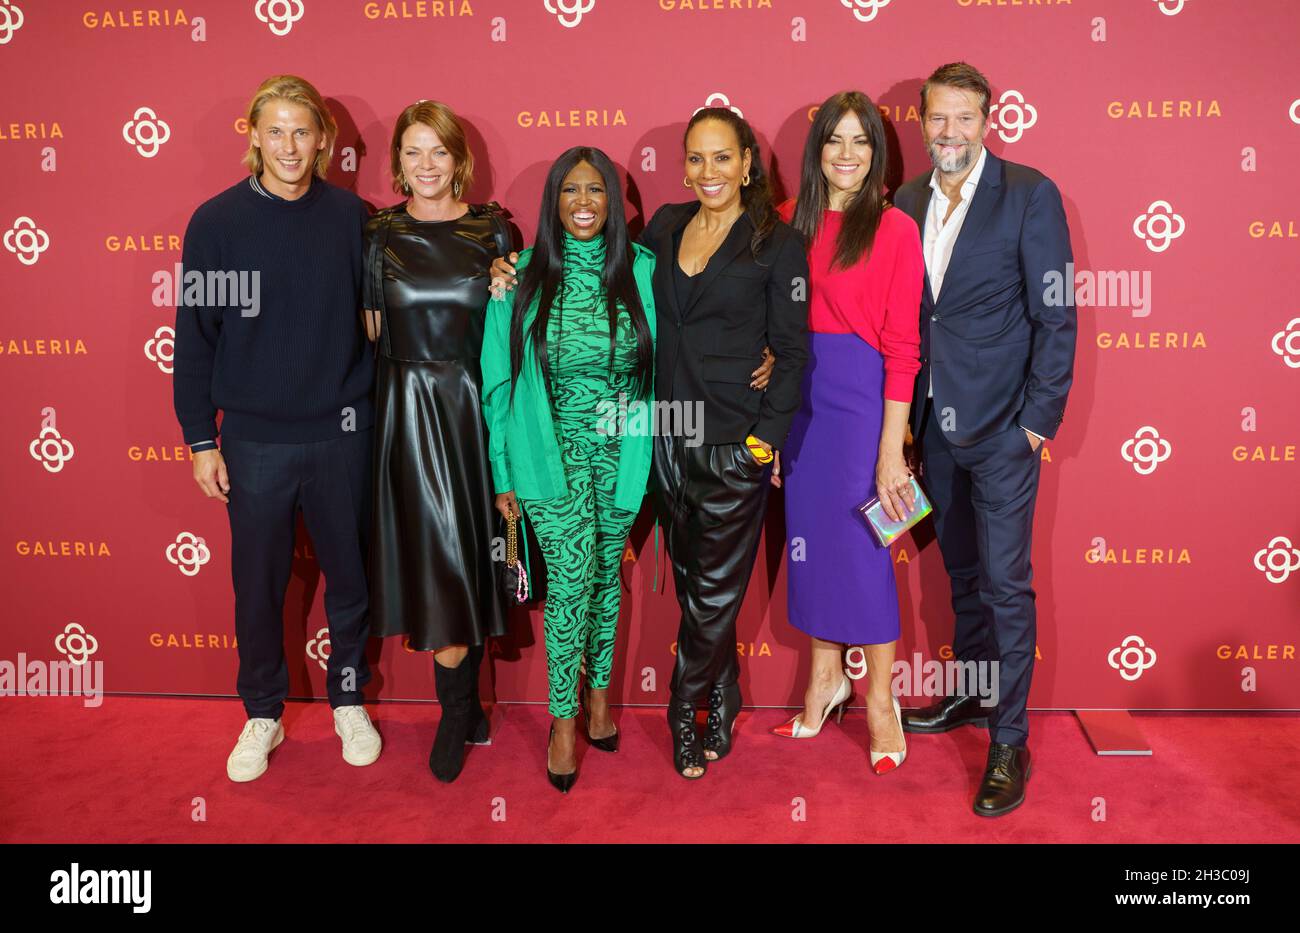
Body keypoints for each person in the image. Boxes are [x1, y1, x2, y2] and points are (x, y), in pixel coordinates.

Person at [173, 74, 382, 783]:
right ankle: (261, 709)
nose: (290, 146)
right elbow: (195, 337)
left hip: (342, 433)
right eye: (276, 131)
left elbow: (383, 325)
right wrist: (201, 437)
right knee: (257, 583)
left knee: (350, 579)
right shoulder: (216, 222)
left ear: (323, 140)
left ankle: (349, 695)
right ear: (252, 135)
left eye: (303, 131)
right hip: (254, 441)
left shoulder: (354, 220)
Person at [892, 62, 1076, 816]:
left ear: (988, 121)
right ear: (922, 121)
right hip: (933, 429)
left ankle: (1009, 740)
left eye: (964, 118)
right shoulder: (904, 200)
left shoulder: (1030, 194)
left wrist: (1035, 425)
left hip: (1004, 430)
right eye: (938, 118)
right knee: (961, 573)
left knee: (1005, 584)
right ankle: (969, 699)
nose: (950, 132)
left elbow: (1057, 315)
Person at [480, 146, 657, 793]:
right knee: (572, 585)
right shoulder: (518, 277)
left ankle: (601, 698)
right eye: (570, 191)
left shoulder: (643, 272)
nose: (583, 203)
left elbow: (662, 371)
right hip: (545, 459)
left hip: (623, 455)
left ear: (614, 202)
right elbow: (497, 385)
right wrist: (502, 473)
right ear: (553, 202)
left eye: (597, 191)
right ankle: (562, 720)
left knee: (607, 575)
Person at [642, 108, 808, 779]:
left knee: (712, 593)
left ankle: (684, 713)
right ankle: (724, 688)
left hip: (734, 442)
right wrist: (518, 267)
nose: (707, 171)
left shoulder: (776, 241)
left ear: (747, 164)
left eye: (721, 158)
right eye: (695, 158)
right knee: (693, 587)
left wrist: (762, 446)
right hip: (666, 436)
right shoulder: (663, 226)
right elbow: (594, 265)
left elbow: (793, 353)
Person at [774, 91, 923, 777]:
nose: (846, 153)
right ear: (816, 150)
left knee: (865, 553)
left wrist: (892, 448)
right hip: (799, 402)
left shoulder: (893, 229)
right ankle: (823, 680)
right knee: (810, 550)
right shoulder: (783, 224)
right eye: (834, 139)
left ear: (878, 153)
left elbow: (903, 346)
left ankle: (881, 702)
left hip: (864, 405)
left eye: (861, 141)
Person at [362, 100, 510, 784]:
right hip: (405, 417)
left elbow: (514, 331)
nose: (426, 165)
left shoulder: (494, 230)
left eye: (439, 152)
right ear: (398, 161)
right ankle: (460, 711)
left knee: (467, 558)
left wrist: (510, 291)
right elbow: (368, 334)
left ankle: (462, 709)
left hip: (474, 413)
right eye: (413, 152)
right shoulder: (379, 233)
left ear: (460, 160)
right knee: (435, 563)